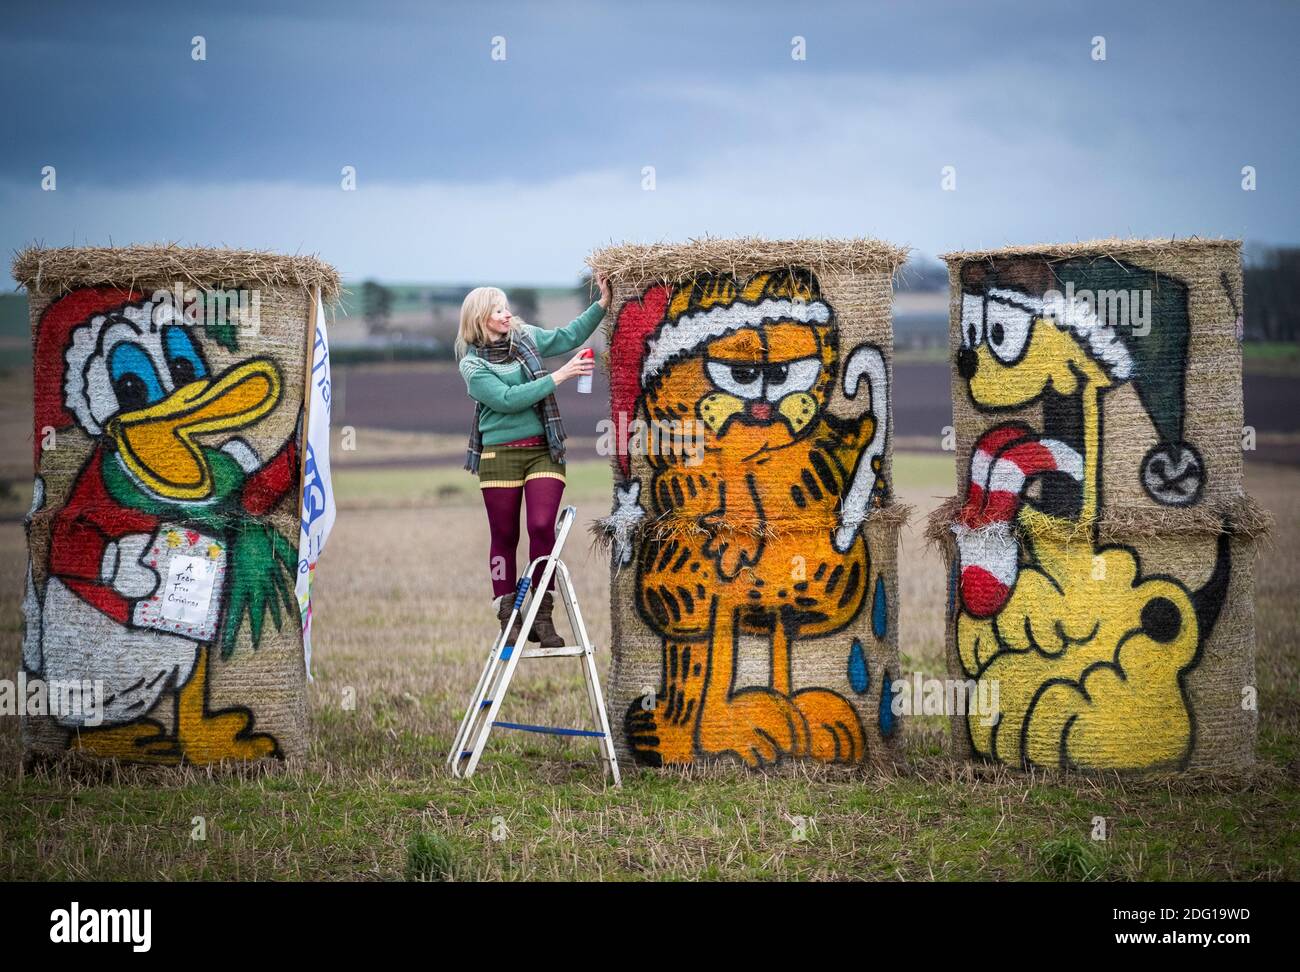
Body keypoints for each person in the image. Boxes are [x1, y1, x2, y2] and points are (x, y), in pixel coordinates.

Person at [456, 275, 610, 647]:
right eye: (498, 310)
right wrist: (560, 375)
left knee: (542, 527)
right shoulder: (473, 366)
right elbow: (509, 399)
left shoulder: (525, 337)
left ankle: (542, 614)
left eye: (506, 307)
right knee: (505, 536)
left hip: (544, 448)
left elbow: (567, 337)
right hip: (499, 456)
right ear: (480, 318)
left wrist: (602, 303)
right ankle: (508, 615)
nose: (507, 315)